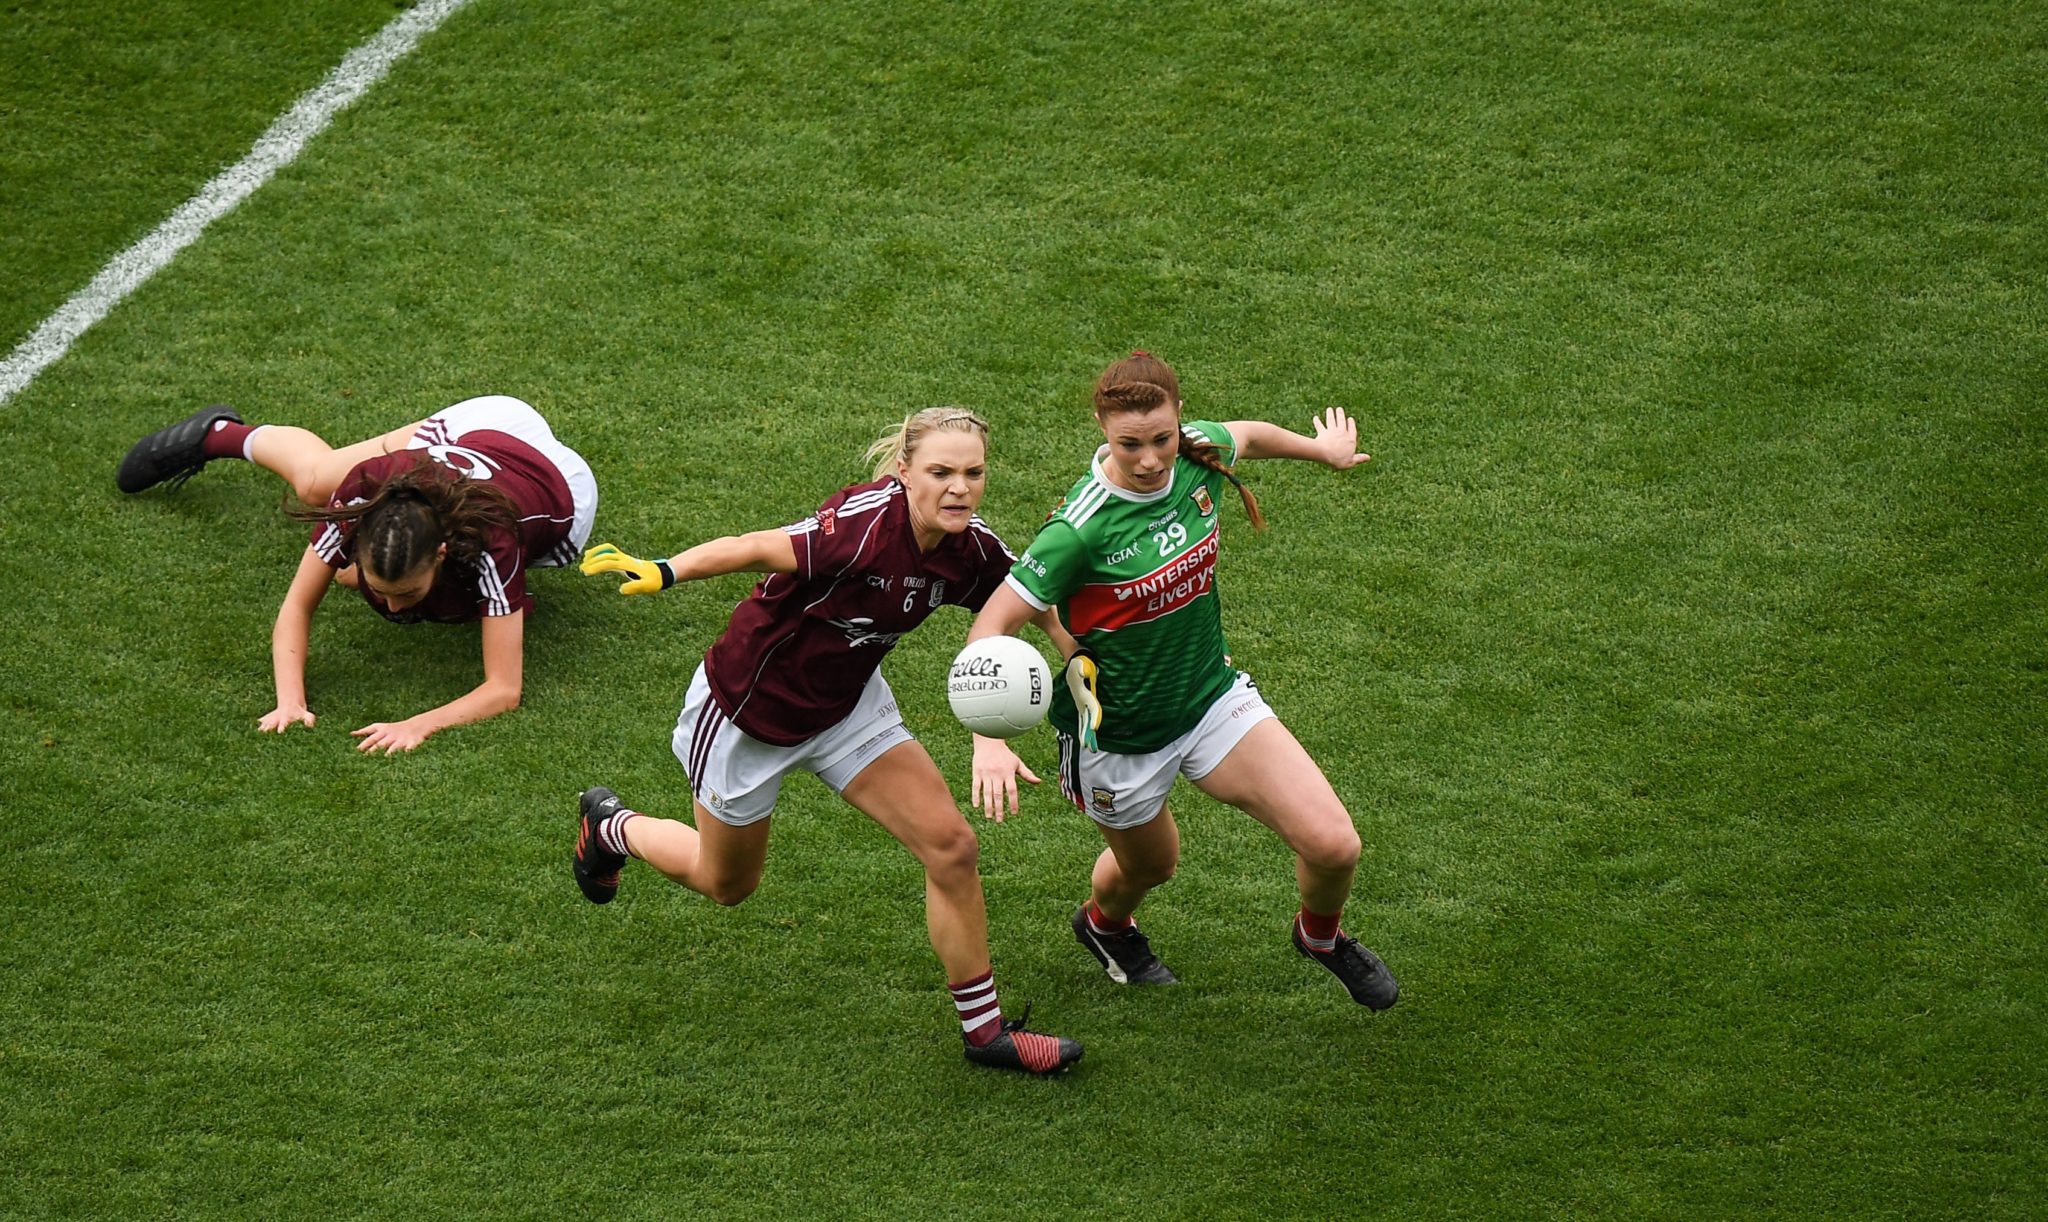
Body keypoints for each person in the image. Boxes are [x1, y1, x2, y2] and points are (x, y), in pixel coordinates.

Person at [573, 407, 1084, 1075]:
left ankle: (986, 1035)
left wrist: (1074, 654)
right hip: (750, 716)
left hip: (847, 708)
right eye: (940, 472)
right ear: (904, 472)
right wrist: (667, 570)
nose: (960, 488)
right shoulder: (862, 526)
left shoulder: (970, 547)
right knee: (726, 884)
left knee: (952, 847)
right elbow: (755, 546)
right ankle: (612, 828)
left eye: (973, 472)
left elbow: (1030, 595)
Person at [965, 351, 1399, 1010]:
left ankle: (1319, 937)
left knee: (1334, 845)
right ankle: (1104, 925)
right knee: (1152, 866)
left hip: (1208, 699)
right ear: (1103, 431)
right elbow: (991, 624)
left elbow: (1248, 435)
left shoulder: (1196, 454)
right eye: (1129, 445)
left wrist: (1322, 450)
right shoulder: (1078, 530)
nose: (1149, 460)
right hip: (1119, 737)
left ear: (1178, 421)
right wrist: (988, 739)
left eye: (1161, 439)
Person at [115, 395, 597, 752]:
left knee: (460, 602)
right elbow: (297, 605)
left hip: (562, 488)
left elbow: (504, 690)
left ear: (442, 552)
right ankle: (220, 433)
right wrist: (290, 701)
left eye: (404, 591)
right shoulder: (365, 493)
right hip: (477, 427)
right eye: (382, 589)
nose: (390, 608)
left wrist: (418, 724)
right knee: (313, 483)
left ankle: (465, 593)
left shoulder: (493, 540)